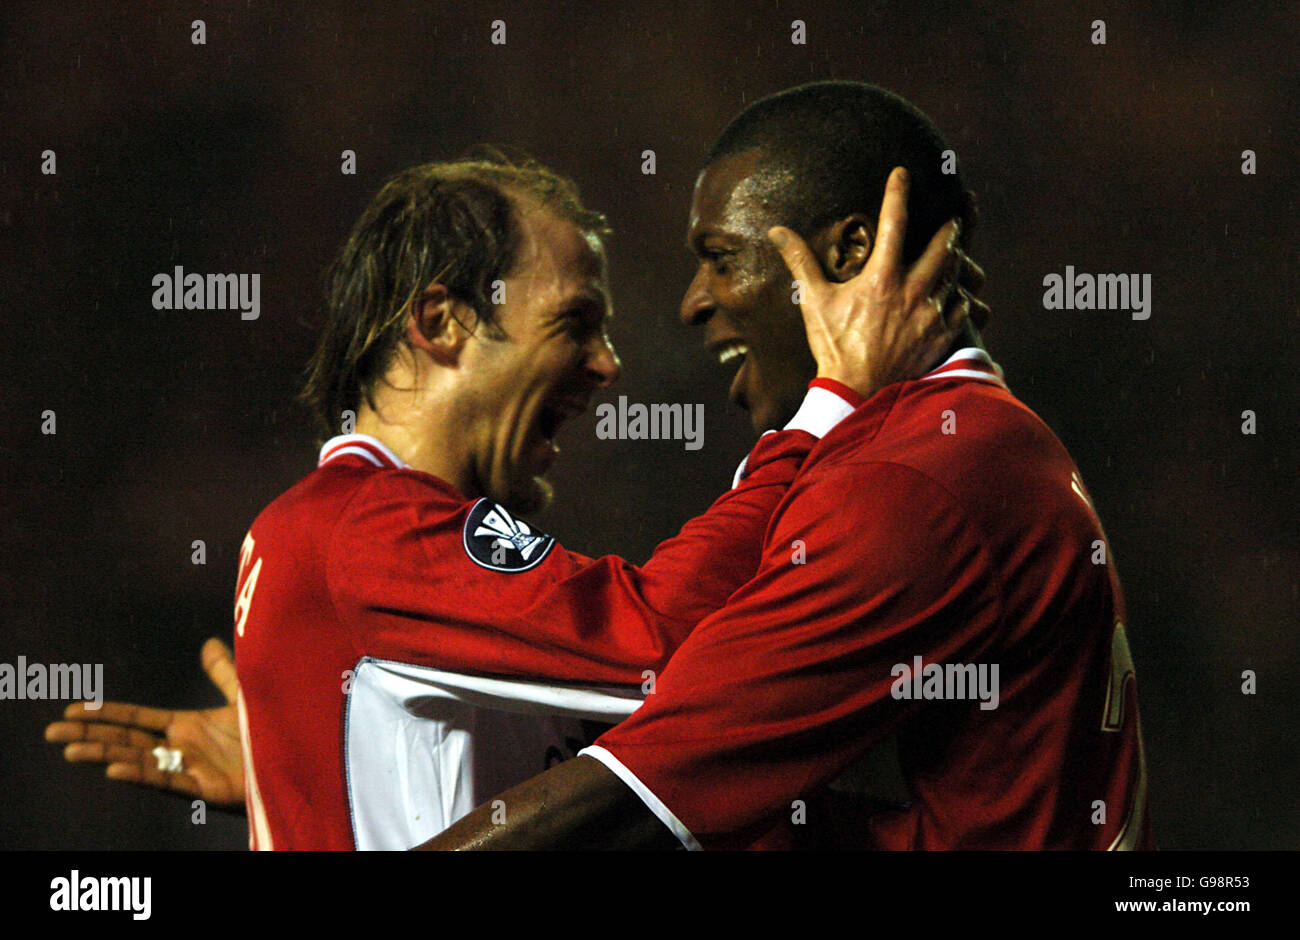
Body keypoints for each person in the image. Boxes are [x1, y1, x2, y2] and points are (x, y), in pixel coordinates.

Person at [46, 145, 969, 849]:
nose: (608, 367)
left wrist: (307, 760)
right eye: (574, 323)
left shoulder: (356, 542)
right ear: (441, 323)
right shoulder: (361, 527)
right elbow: (661, 642)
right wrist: (829, 409)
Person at [420, 81, 1152, 851]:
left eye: (723, 258)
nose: (693, 303)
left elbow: (640, 805)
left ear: (851, 255)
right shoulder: (975, 438)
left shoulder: (915, 483)